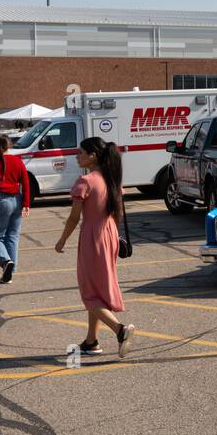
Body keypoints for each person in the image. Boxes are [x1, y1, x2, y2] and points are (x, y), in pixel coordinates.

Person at [54, 137, 135, 358]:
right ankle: (91, 341)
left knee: (89, 293)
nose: (76, 156)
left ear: (93, 156)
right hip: (110, 235)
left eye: (80, 152)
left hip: (93, 237)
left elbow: (73, 218)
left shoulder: (86, 181)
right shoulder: (112, 180)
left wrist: (61, 240)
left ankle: (120, 329)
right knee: (97, 291)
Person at [0, 135, 31, 283]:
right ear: (9, 146)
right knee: (13, 236)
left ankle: (6, 261)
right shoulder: (18, 161)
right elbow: (25, 183)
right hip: (17, 200)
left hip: (1, 200)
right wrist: (26, 203)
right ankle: (10, 272)